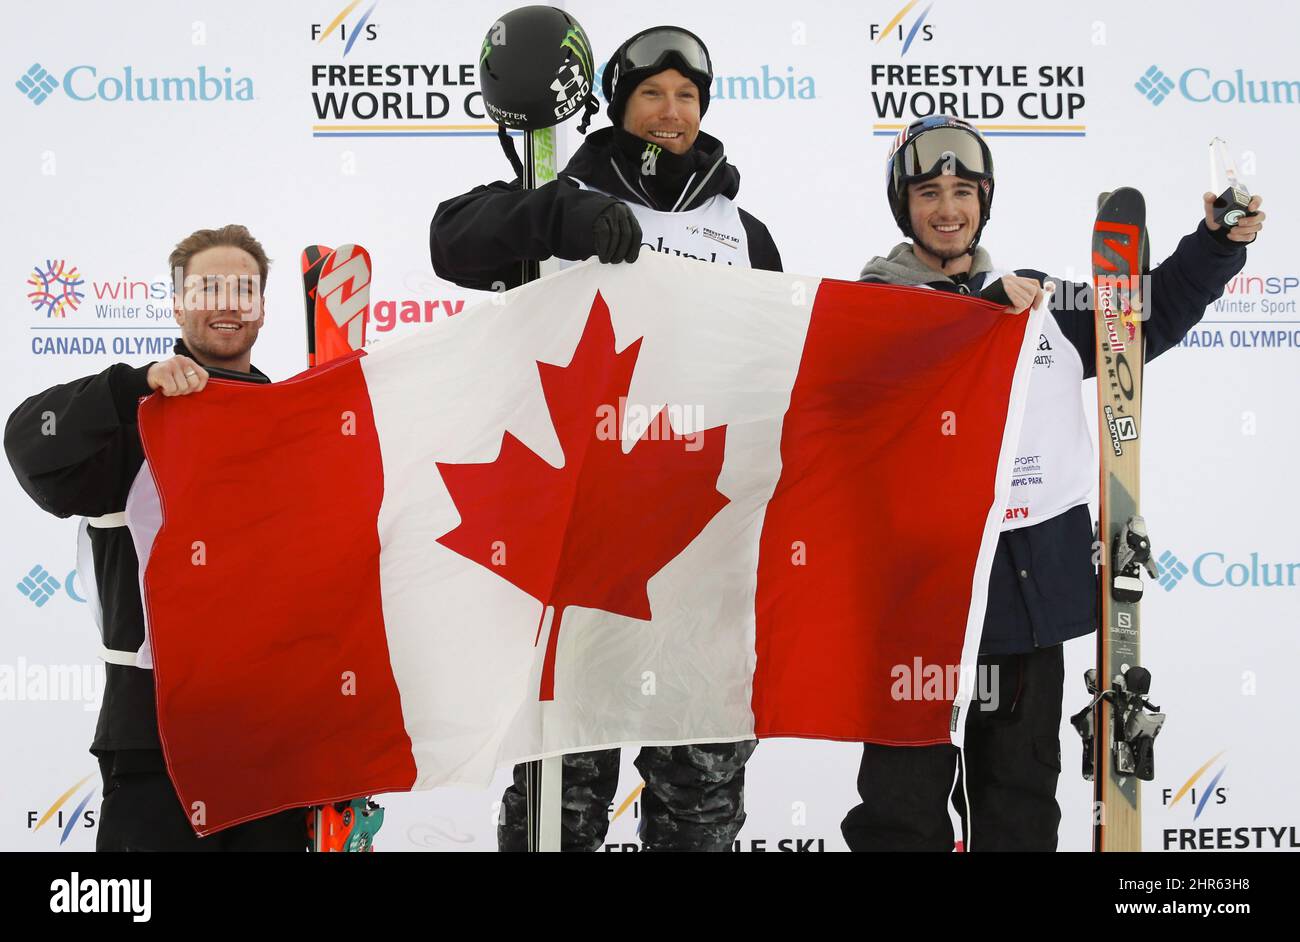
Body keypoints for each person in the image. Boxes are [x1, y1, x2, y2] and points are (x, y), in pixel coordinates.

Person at [841, 115, 1266, 852]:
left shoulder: (1039, 306)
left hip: (1020, 603)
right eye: (929, 192)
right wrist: (980, 314)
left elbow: (1140, 318)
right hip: (916, 609)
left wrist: (1218, 245)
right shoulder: (871, 308)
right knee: (900, 811)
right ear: (902, 206)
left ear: (985, 200)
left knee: (1019, 803)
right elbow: (867, 403)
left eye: (964, 192)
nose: (948, 209)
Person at [431, 25, 780, 851]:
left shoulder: (744, 231)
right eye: (651, 94)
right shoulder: (561, 189)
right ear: (618, 106)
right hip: (579, 540)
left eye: (687, 96)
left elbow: (780, 363)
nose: (670, 112)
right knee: (563, 799)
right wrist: (559, 214)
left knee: (699, 799)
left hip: (700, 542)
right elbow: (453, 240)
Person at [5, 224, 307, 851]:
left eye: (243, 289)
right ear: (176, 304)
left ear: (261, 308)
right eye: (209, 288)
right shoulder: (131, 418)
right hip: (152, 739)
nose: (227, 303)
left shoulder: (295, 424)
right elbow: (30, 443)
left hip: (274, 742)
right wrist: (128, 386)